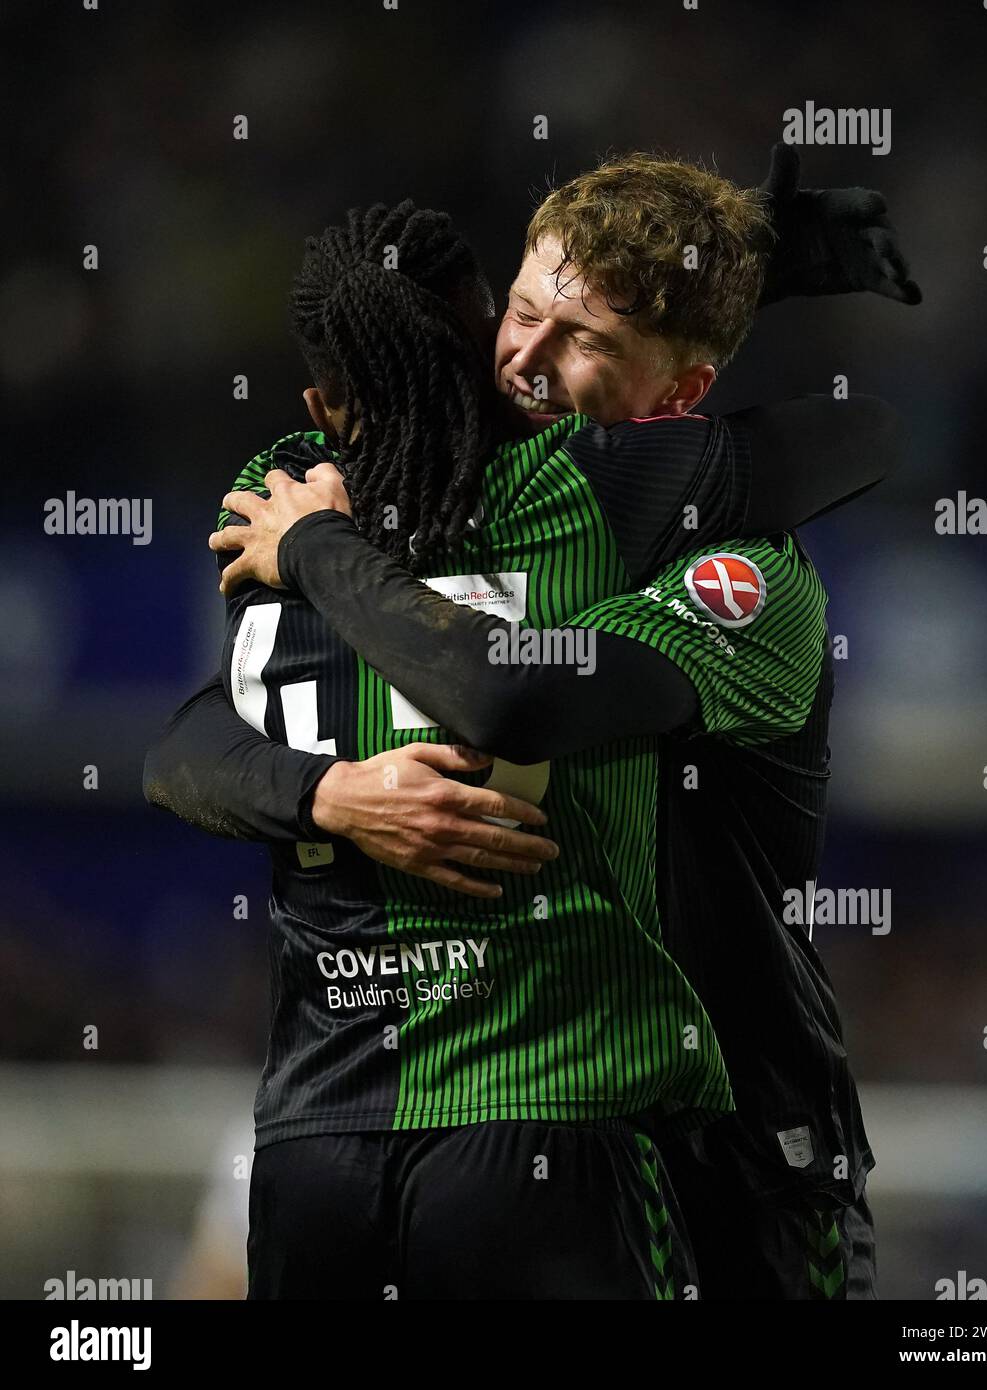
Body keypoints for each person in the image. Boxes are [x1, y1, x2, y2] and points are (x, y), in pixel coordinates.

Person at [146, 151, 917, 1298]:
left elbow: (512, 690)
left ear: (678, 398)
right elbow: (192, 738)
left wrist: (317, 552)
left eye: (584, 343)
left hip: (749, 1137)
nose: (522, 361)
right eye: (518, 311)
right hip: (573, 1135)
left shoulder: (718, 559)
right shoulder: (448, 529)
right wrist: (333, 793)